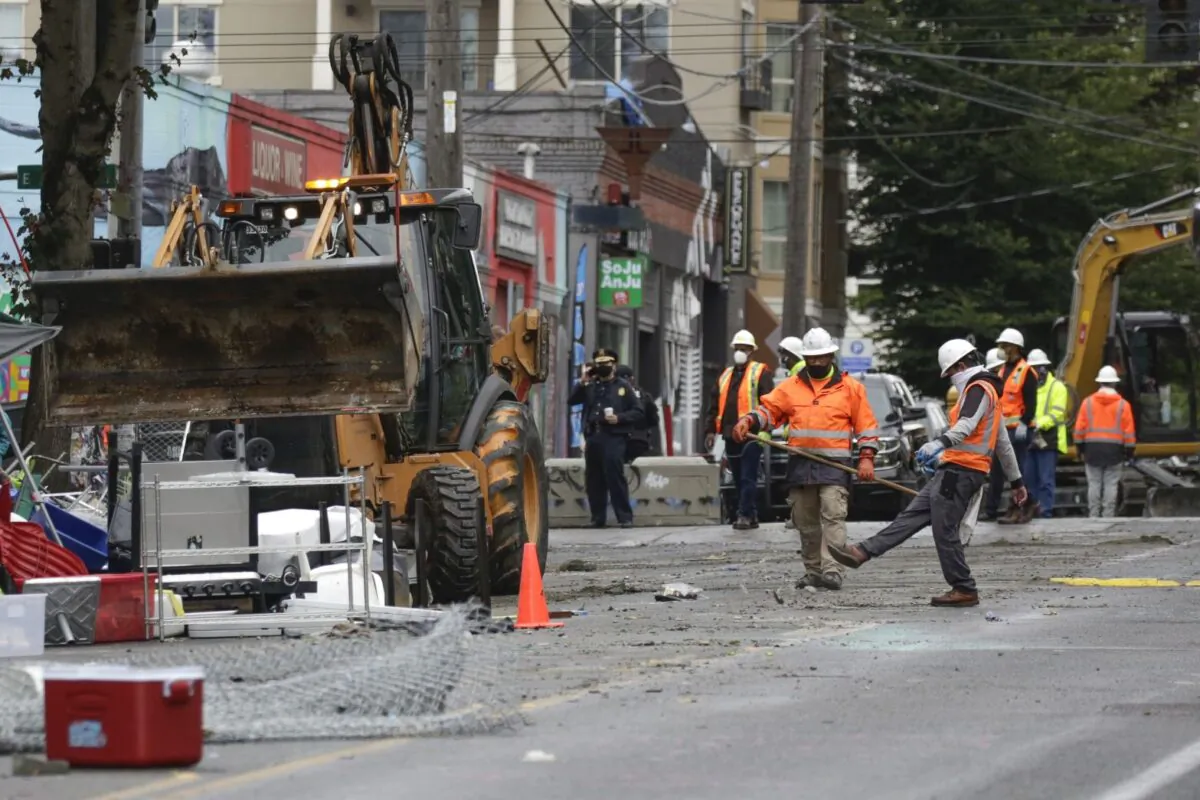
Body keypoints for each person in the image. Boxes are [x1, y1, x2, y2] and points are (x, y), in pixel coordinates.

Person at [827, 339, 1028, 607]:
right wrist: (1017, 482)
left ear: (960, 366)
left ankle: (964, 587)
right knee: (912, 516)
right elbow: (1003, 444)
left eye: (950, 373)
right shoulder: (988, 394)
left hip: (961, 472)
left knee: (944, 530)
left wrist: (938, 444)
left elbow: (966, 426)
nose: (951, 379)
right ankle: (862, 552)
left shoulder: (979, 388)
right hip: (955, 470)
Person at [732, 327, 880, 590]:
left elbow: (866, 426)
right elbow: (770, 410)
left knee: (833, 515)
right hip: (801, 464)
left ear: (831, 356)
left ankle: (832, 570)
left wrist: (866, 457)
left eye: (822, 357)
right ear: (806, 358)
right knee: (805, 520)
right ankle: (813, 571)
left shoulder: (850, 389)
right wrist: (749, 420)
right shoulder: (791, 387)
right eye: (812, 358)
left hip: (835, 466)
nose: (817, 362)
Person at [568, 348, 645, 528]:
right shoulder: (590, 386)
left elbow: (638, 411)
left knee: (614, 475)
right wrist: (582, 382)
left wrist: (619, 418)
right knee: (593, 478)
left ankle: (624, 517)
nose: (603, 367)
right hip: (593, 435)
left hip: (614, 436)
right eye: (599, 364)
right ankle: (597, 517)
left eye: (607, 364)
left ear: (614, 365)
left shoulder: (623, 386)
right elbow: (572, 400)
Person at [705, 330, 774, 530]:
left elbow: (769, 404)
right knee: (737, 477)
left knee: (747, 476)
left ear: (752, 351)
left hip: (751, 434)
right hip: (730, 434)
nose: (740, 352)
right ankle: (751, 514)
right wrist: (710, 431)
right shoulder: (725, 375)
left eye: (744, 349)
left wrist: (764, 429)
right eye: (738, 348)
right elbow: (714, 406)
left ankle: (743, 514)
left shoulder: (760, 373)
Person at [984, 328, 1037, 523]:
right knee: (998, 471)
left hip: (1018, 430)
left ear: (1015, 347)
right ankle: (1000, 509)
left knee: (1016, 472)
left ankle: (1018, 508)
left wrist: (1024, 424)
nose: (1001, 349)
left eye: (1004, 345)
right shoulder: (1003, 370)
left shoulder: (1026, 371)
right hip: (1003, 430)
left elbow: (1031, 403)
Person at [1073, 365, 1136, 518]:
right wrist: (1129, 452)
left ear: (1099, 382)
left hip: (1092, 450)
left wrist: (1079, 449)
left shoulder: (1087, 403)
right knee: (1111, 484)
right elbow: (1129, 433)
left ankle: (1094, 515)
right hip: (1114, 451)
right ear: (1114, 383)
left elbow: (1079, 429)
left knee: (1094, 483)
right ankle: (1108, 516)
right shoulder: (1123, 405)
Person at [1022, 348, 1068, 520]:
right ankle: (1031, 511)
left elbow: (1057, 413)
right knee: (1029, 478)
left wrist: (1039, 423)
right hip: (1029, 437)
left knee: (1045, 479)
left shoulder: (1057, 387)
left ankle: (1045, 512)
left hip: (1049, 438)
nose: (1036, 371)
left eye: (1038, 367)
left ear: (1045, 368)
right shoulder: (1027, 387)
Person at [616, 365, 659, 462]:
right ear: (632, 379)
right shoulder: (644, 396)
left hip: (619, 440)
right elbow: (654, 420)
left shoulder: (613, 396)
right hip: (640, 439)